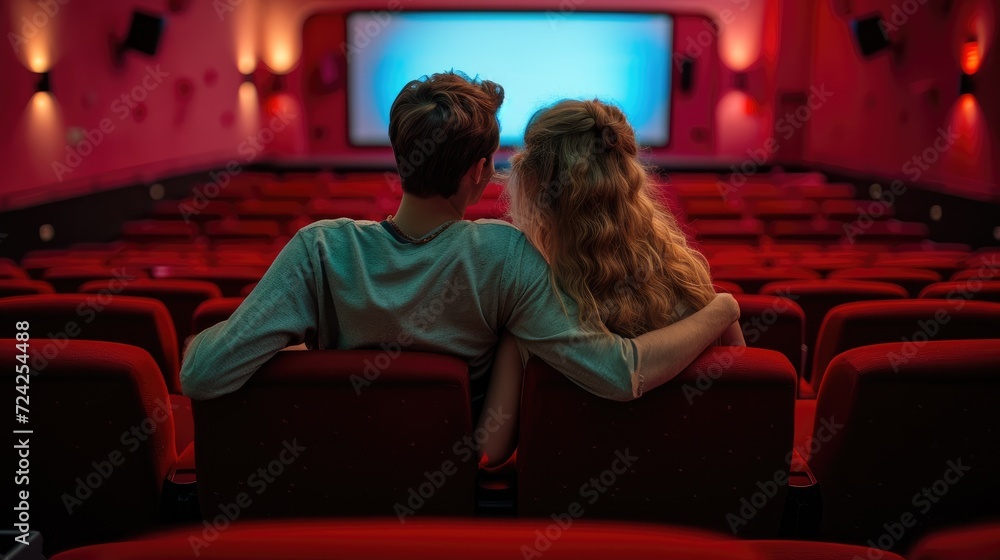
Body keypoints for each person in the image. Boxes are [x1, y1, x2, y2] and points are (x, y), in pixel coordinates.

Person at [180, 73, 740, 464]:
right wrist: (722, 306)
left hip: (327, 486)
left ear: (399, 155)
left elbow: (202, 375)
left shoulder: (319, 250)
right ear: (478, 171)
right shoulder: (506, 256)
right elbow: (615, 376)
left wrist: (295, 353)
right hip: (450, 501)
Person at [478, 99, 746, 466]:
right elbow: (737, 401)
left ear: (538, 186)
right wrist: (724, 308)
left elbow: (491, 450)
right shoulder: (691, 286)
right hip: (687, 501)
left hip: (565, 509)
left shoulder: (531, 314)